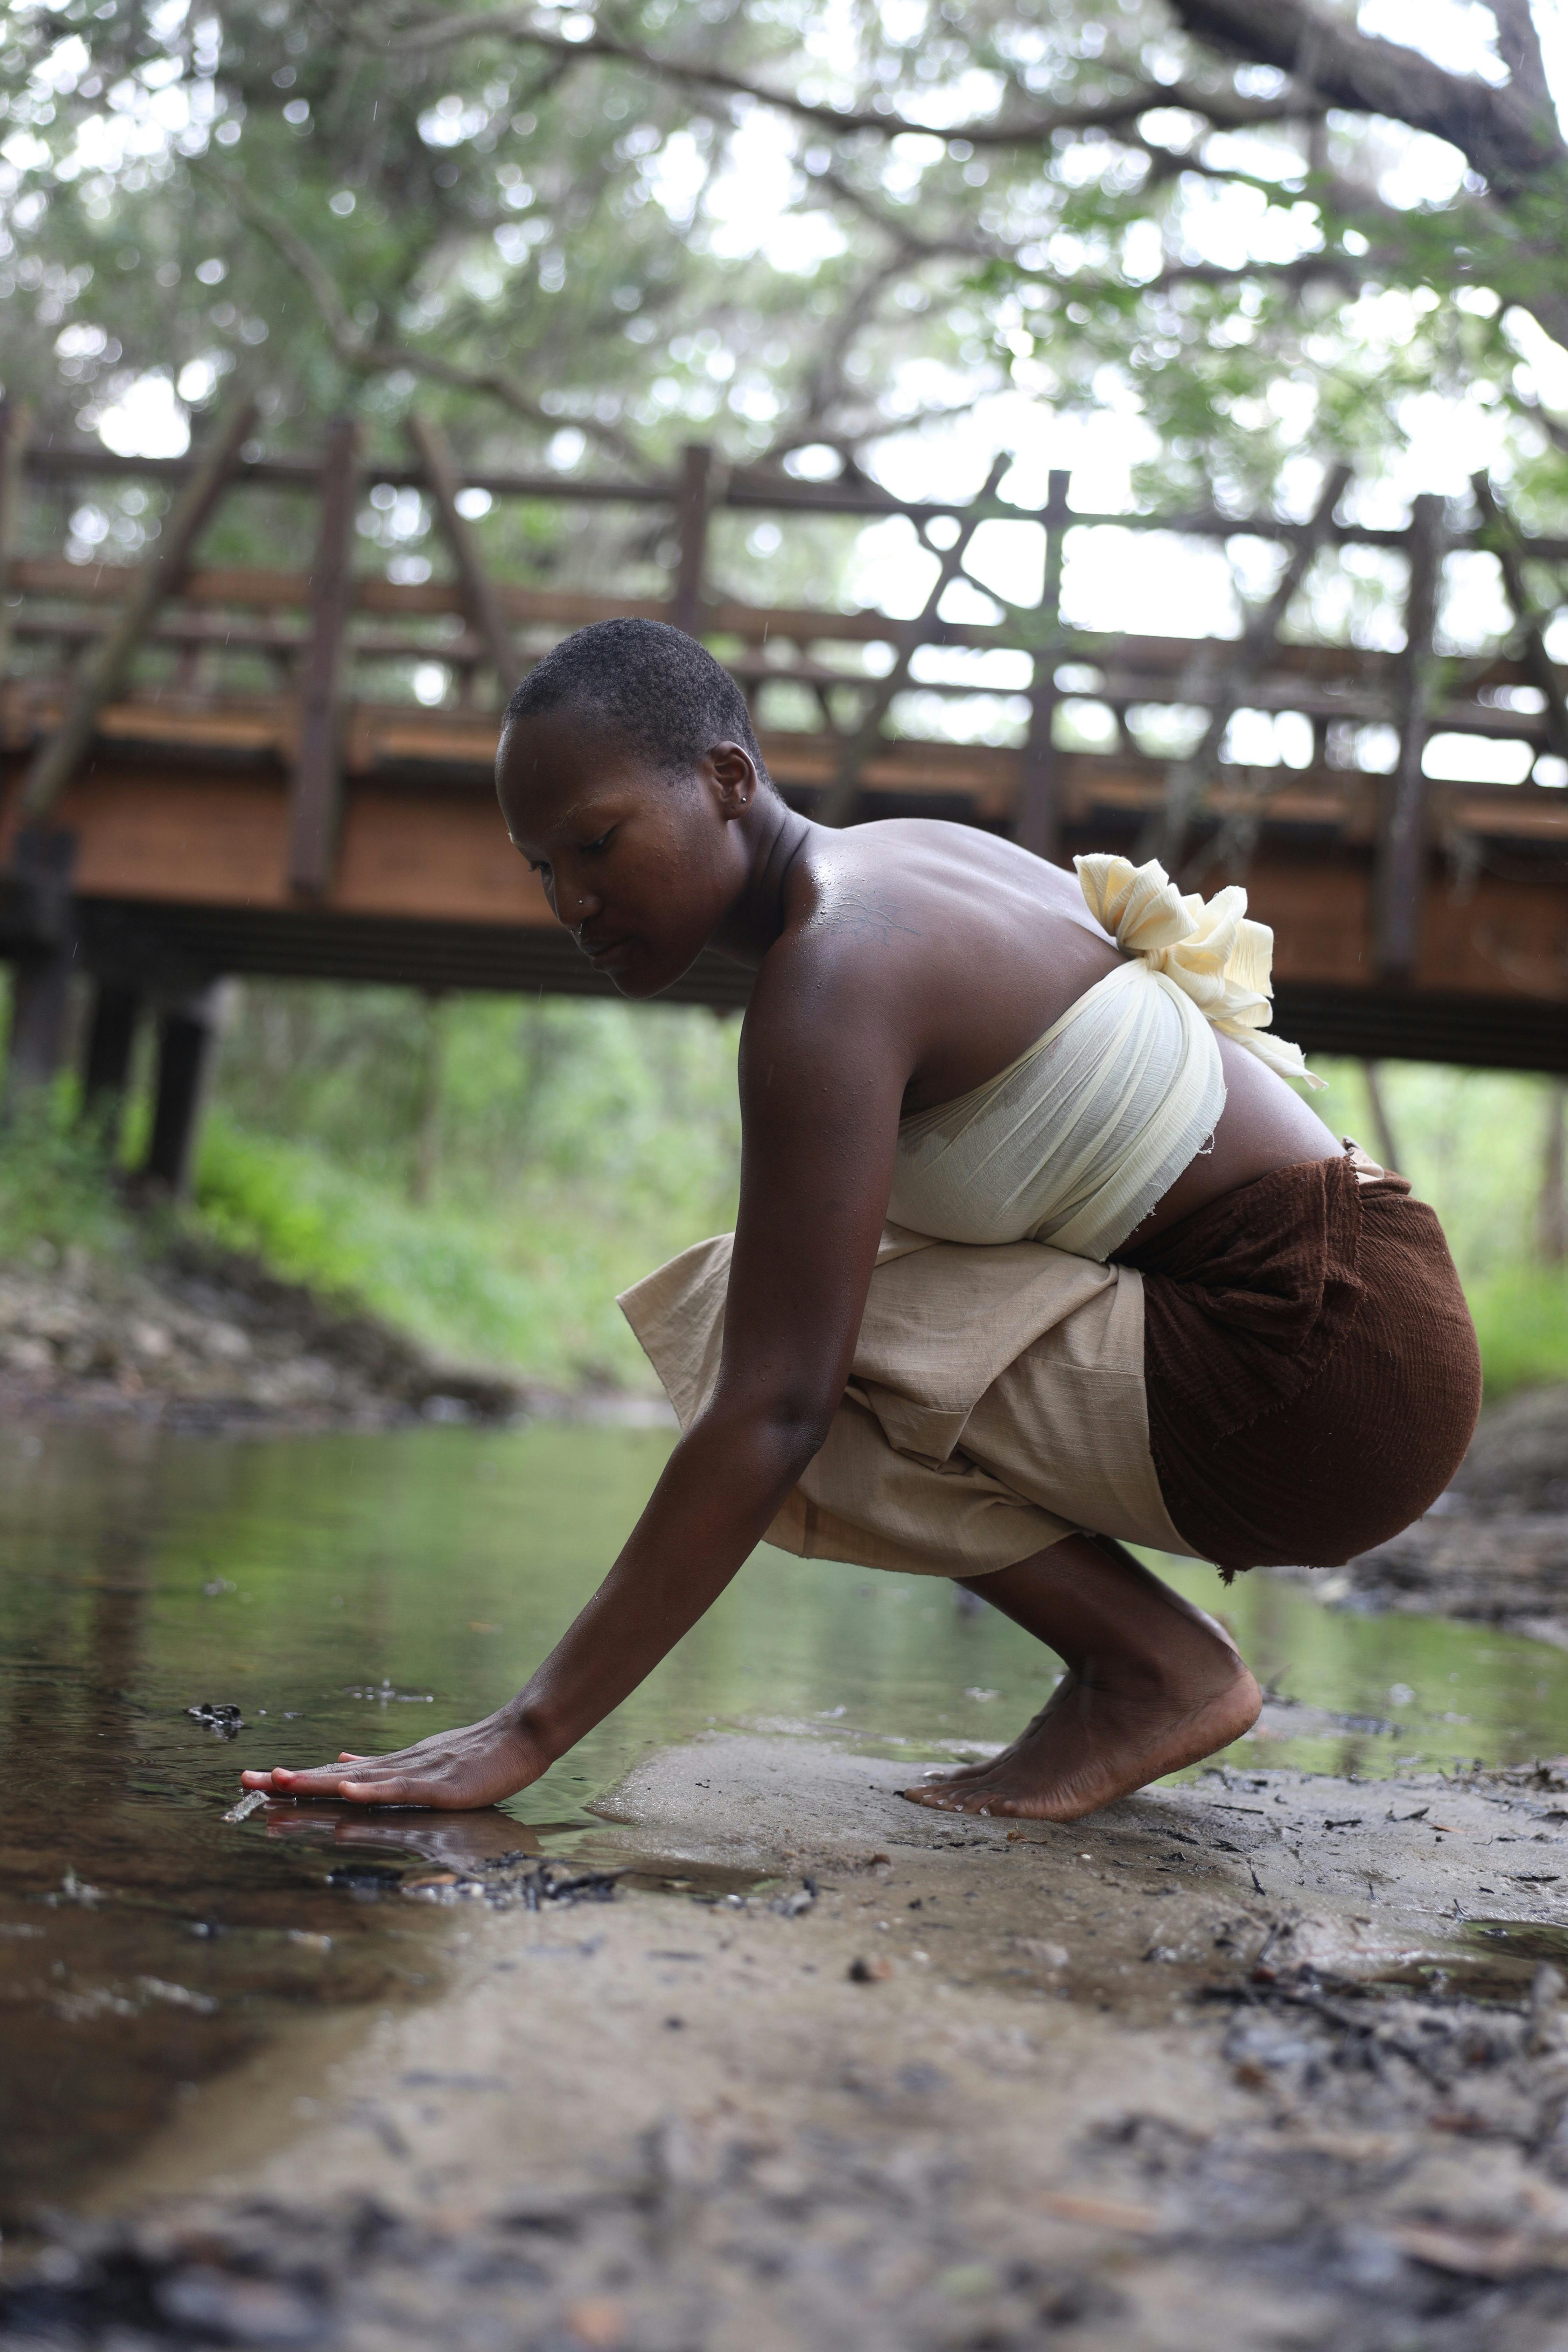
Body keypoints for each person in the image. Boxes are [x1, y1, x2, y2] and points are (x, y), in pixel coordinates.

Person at [240, 620, 1481, 1823]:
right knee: (779, 1305)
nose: (571, 900)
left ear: (728, 779)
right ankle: (1146, 1665)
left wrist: (524, 1735)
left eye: (598, 843)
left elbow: (779, 1408)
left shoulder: (834, 970)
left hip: (1319, 1370)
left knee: (755, 1339)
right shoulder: (896, 865)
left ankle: (1148, 1670)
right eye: (543, 869)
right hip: (1367, 1332)